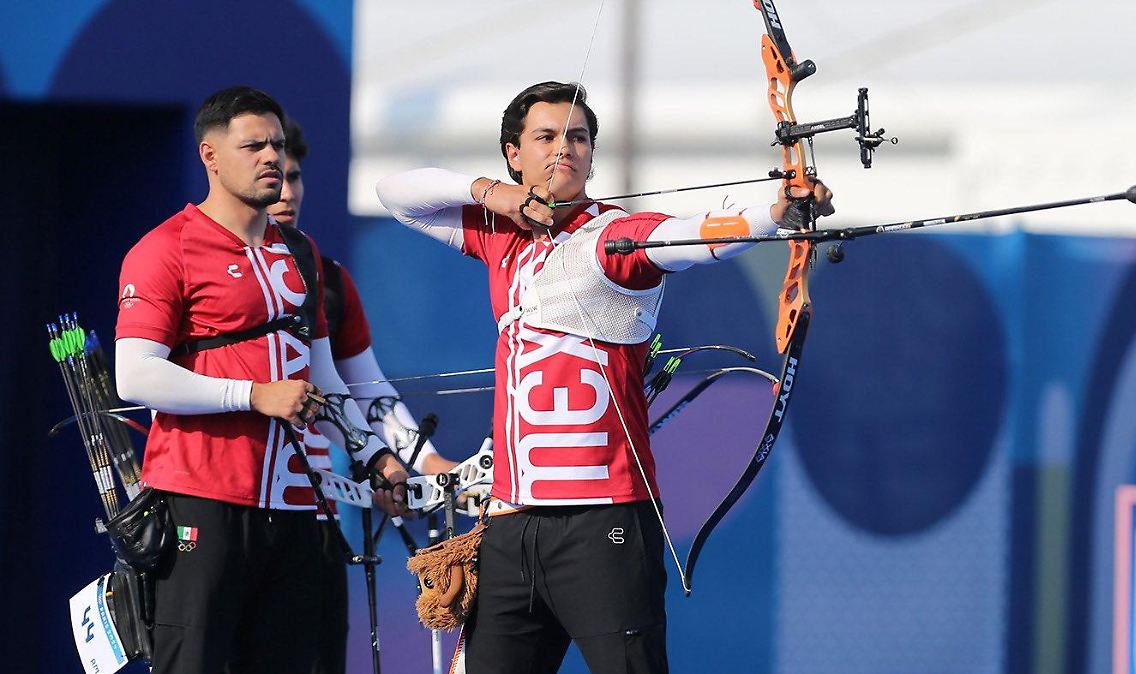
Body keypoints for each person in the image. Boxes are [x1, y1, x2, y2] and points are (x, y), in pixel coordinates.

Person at [375, 81, 833, 673]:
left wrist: (776, 215)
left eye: (578, 138)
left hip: (604, 525)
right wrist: (496, 195)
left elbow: (691, 235)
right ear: (513, 153)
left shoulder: (615, 237)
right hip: (511, 527)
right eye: (545, 137)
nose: (564, 148)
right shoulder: (499, 236)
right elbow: (396, 193)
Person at [114, 85, 409, 674]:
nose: (271, 157)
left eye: (276, 144)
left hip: (298, 507)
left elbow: (321, 373)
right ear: (210, 155)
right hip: (203, 502)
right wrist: (251, 394)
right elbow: (134, 375)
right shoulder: (163, 249)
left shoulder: (300, 250)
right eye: (254, 146)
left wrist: (375, 453)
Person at [266, 117, 461, 674]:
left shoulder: (327, 280)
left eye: (295, 175)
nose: (287, 191)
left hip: (315, 510)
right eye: (274, 175)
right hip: (234, 507)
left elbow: (366, 391)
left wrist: (424, 463)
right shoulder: (206, 267)